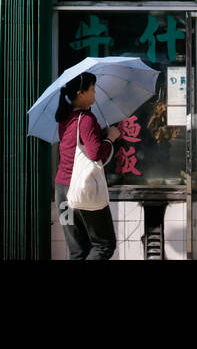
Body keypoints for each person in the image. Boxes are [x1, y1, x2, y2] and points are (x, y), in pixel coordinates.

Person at [53, 72, 119, 260]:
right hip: (83, 188)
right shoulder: (87, 120)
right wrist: (110, 138)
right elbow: (95, 153)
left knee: (77, 250)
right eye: (92, 89)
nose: (95, 93)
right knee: (104, 245)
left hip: (62, 191)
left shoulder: (64, 118)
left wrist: (101, 136)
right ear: (81, 93)